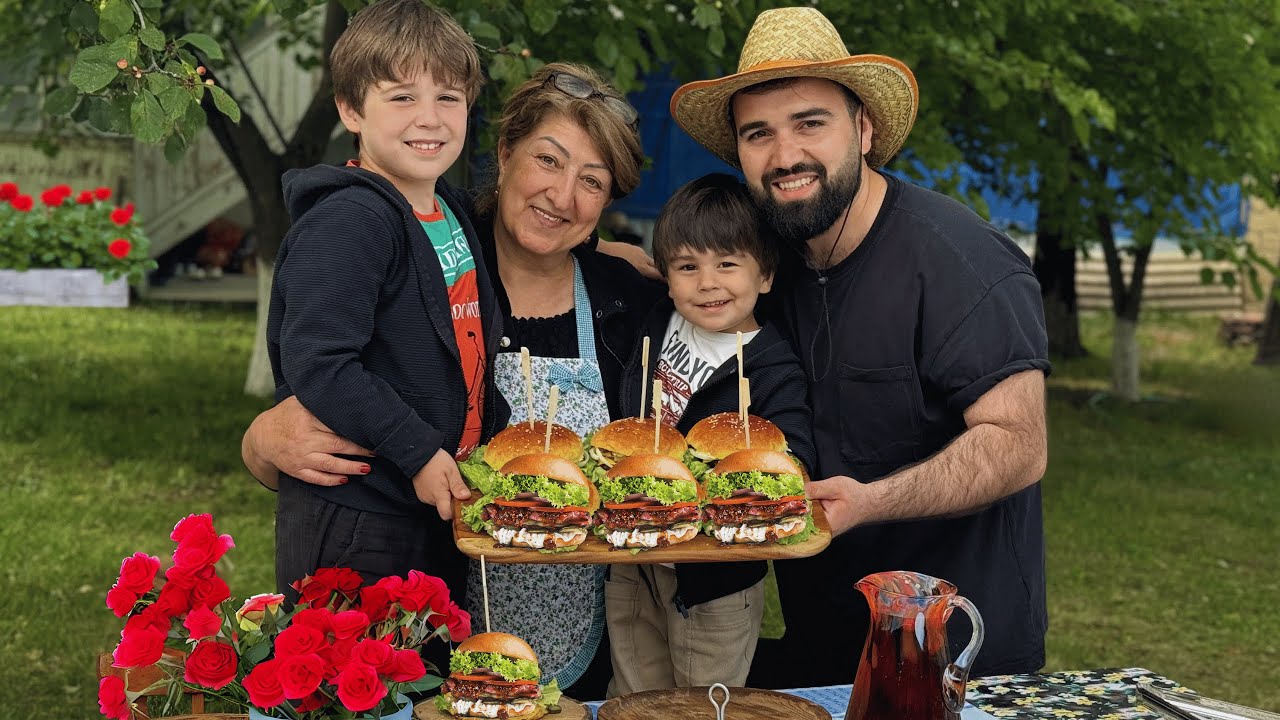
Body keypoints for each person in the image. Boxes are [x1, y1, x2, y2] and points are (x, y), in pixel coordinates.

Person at [243, 63, 661, 700]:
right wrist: (259, 443)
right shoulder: (432, 266)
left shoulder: (629, 299)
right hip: (434, 609)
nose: (562, 196)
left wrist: (609, 252)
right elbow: (330, 372)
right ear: (505, 154)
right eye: (548, 160)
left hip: (598, 629)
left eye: (592, 181)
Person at [669, 7, 1051, 686]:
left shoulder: (961, 262)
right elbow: (686, 275)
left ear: (865, 129)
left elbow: (1018, 444)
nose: (785, 156)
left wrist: (872, 501)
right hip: (819, 647)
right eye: (759, 134)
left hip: (955, 656)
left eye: (810, 123)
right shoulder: (766, 262)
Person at [257, 0, 504, 641]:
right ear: (350, 110)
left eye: (449, 97)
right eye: (402, 98)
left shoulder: (445, 208)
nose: (430, 118)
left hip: (425, 502)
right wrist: (418, 451)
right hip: (358, 517)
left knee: (427, 679)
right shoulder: (351, 219)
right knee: (361, 681)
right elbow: (319, 360)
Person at [606, 172, 816, 695]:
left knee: (705, 700)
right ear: (666, 276)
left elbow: (796, 458)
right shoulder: (659, 319)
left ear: (765, 275)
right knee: (633, 693)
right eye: (687, 266)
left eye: (727, 263)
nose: (706, 282)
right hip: (632, 558)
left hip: (716, 581)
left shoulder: (774, 368)